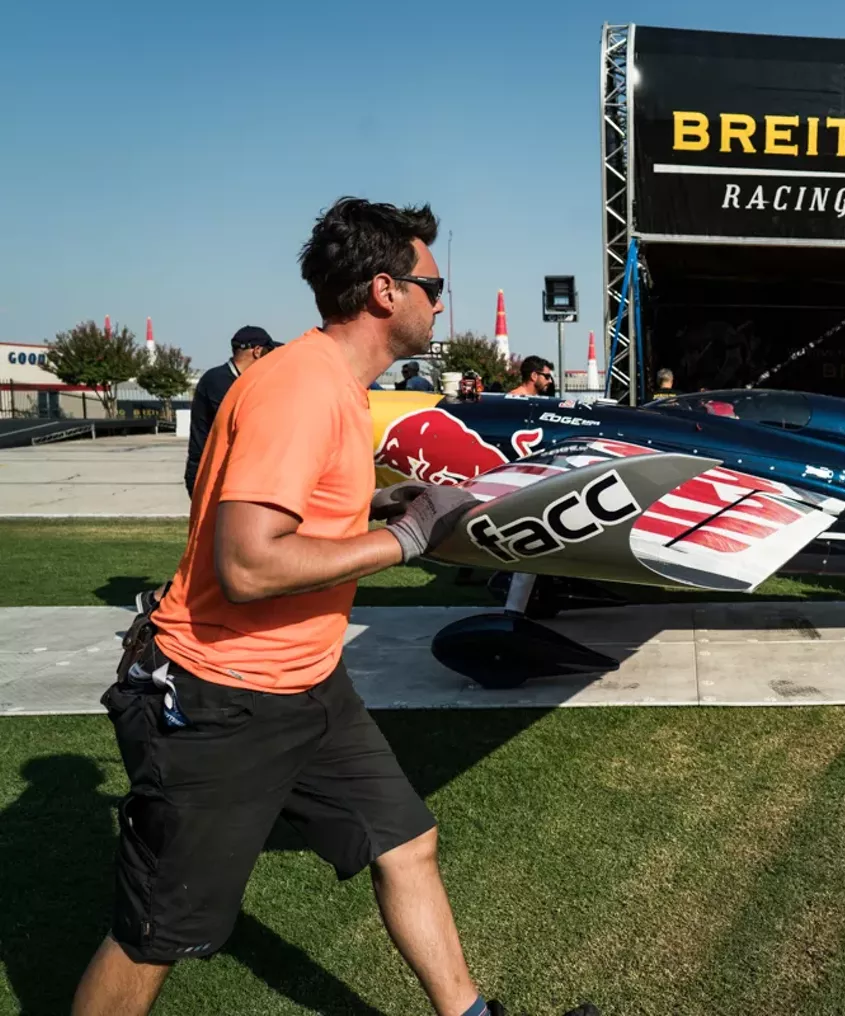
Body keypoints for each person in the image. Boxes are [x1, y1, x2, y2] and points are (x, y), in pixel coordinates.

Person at [74, 197, 599, 1016]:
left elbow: (298, 518)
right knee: (156, 935)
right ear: (385, 292)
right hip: (222, 697)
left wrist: (386, 510)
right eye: (435, 282)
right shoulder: (303, 390)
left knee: (405, 840)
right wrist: (408, 542)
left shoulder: (335, 385)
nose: (442, 300)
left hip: (309, 683)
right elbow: (247, 565)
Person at [184, 326, 278, 498]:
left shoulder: (234, 380)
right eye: (268, 352)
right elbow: (245, 425)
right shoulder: (219, 381)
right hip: (212, 476)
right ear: (257, 351)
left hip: (228, 475)